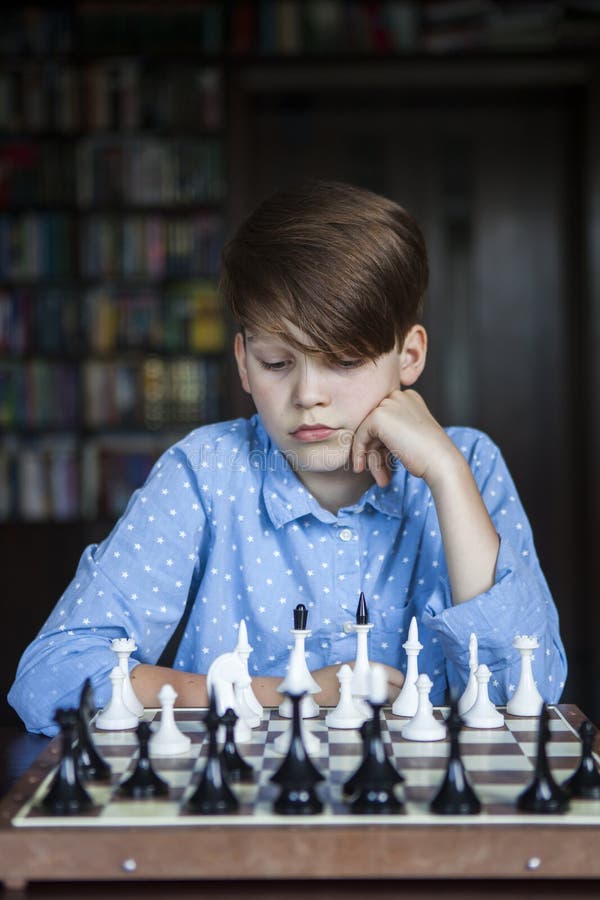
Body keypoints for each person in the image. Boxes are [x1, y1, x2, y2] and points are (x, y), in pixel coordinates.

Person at [8, 180, 567, 736]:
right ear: (244, 363)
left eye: (344, 361)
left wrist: (446, 477)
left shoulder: (468, 463)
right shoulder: (205, 473)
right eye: (278, 363)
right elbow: (51, 680)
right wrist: (289, 693)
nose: (307, 396)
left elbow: (529, 692)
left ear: (409, 356)